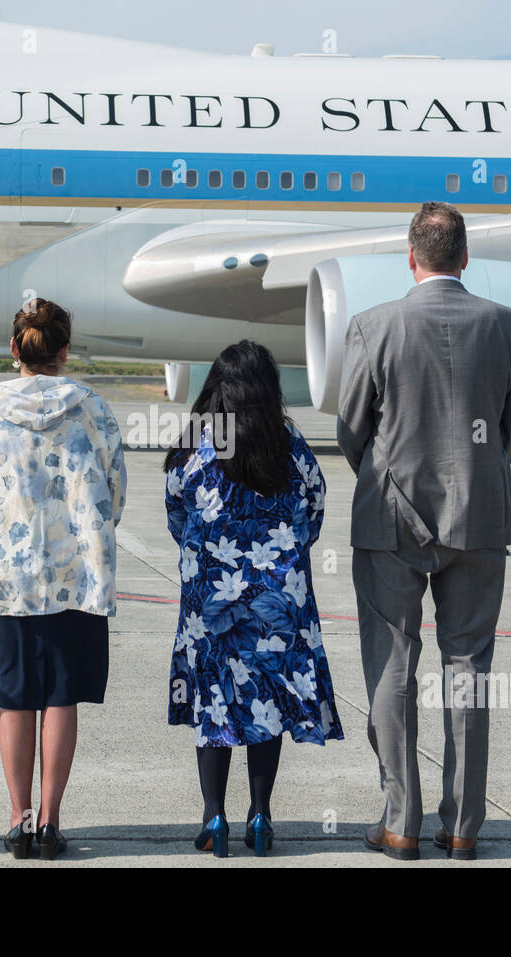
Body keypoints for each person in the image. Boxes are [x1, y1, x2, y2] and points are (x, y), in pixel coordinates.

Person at [337, 201, 511, 862]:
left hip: (391, 515)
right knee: (469, 669)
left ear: (411, 257)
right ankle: (463, 826)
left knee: (392, 666)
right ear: (465, 258)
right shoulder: (508, 325)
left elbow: (351, 429)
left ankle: (400, 821)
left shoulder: (373, 325)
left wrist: (386, 474)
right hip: (478, 514)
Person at [0, 298, 126, 861]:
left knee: (15, 700)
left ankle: (17, 818)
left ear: (14, 348)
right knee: (61, 696)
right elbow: (114, 492)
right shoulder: (93, 408)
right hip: (75, 578)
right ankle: (52, 822)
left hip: (7, 580)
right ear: (64, 350)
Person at [164, 339, 342, 858]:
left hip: (211, 601)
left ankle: (213, 816)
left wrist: (210, 560)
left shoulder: (198, 441)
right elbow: (314, 507)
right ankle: (261, 815)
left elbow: (177, 511)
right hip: (277, 601)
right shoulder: (288, 443)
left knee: (213, 702)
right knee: (267, 702)